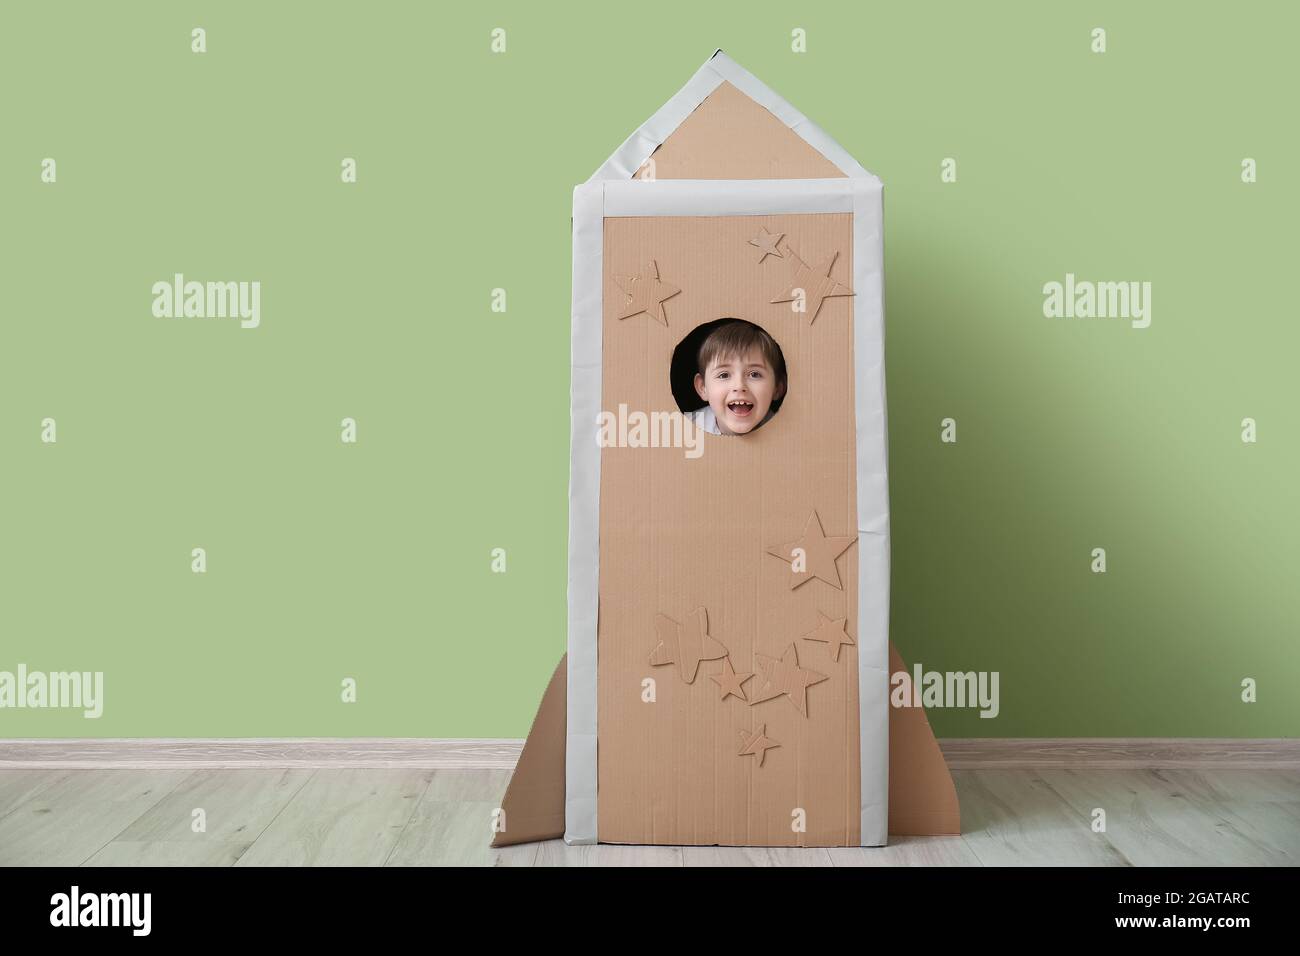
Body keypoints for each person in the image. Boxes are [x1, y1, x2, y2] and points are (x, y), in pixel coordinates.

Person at [687, 320, 786, 436]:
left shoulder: (788, 432)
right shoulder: (684, 429)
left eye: (754, 374)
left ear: (777, 387)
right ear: (703, 387)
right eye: (724, 375)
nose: (739, 386)